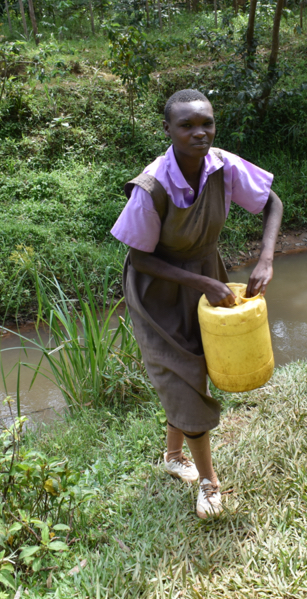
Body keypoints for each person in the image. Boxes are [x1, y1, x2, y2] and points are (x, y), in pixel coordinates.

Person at [110, 89, 283, 519]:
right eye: (186, 125)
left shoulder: (224, 165)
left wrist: (266, 258)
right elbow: (140, 258)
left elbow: (272, 203)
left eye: (205, 123)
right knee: (181, 374)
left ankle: (172, 455)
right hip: (158, 288)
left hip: (206, 273)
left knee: (199, 367)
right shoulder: (152, 185)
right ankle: (209, 482)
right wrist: (201, 281)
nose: (198, 132)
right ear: (167, 130)